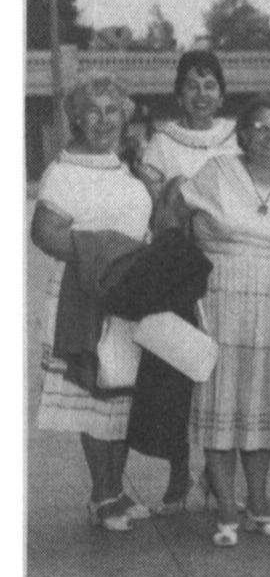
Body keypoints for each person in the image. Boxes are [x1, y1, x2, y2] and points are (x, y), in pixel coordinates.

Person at [182, 97, 270, 546]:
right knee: (222, 399)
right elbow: (176, 215)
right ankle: (226, 511)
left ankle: (259, 505)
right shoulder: (216, 171)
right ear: (243, 133)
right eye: (261, 128)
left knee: (261, 403)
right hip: (222, 295)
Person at [32, 74, 155, 532]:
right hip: (84, 295)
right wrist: (102, 259)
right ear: (76, 119)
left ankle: (116, 488)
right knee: (93, 393)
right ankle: (102, 494)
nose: (103, 120)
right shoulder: (63, 172)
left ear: (125, 116)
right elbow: (45, 234)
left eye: (112, 110)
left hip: (128, 295)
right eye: (92, 111)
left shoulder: (126, 167)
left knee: (121, 394)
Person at [126, 50, 238, 514]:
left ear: (222, 91)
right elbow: (155, 203)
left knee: (227, 373)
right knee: (181, 368)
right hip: (182, 267)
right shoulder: (163, 141)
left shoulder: (237, 135)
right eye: (191, 85)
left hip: (233, 263)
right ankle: (179, 474)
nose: (201, 94)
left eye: (210, 84)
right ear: (178, 93)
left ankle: (221, 478)